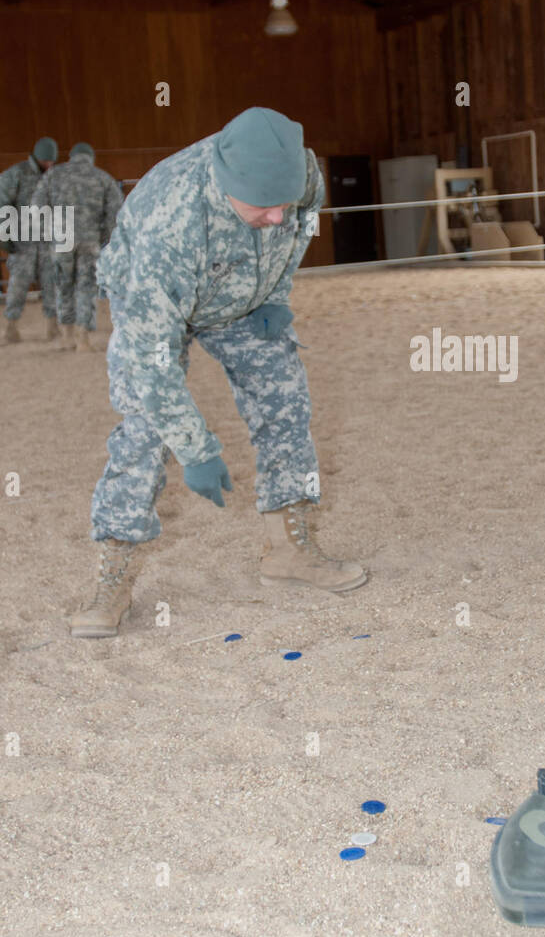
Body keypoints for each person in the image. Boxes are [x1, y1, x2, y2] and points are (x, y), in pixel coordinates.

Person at [69, 107, 366, 639]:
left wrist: (275, 295)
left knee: (286, 402)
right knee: (143, 432)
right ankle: (111, 578)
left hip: (240, 301)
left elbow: (296, 231)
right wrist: (196, 447)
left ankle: (288, 549)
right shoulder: (168, 221)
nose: (277, 215)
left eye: (285, 202)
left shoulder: (302, 177)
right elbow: (151, 365)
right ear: (227, 184)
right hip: (159, 310)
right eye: (262, 205)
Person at [33, 141, 124, 350]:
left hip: (61, 241)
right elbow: (115, 214)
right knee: (87, 287)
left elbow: (37, 207)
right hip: (89, 242)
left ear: (71, 156)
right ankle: (83, 338)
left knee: (63, 286)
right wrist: (103, 238)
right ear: (90, 157)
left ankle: (67, 336)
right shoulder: (102, 178)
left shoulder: (53, 175)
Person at [0, 135, 59, 342]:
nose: (49, 164)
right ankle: (11, 328)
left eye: (52, 160)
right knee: (18, 286)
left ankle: (53, 328)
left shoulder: (54, 177)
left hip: (48, 242)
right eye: (46, 160)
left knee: (52, 284)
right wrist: (5, 235)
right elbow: (2, 204)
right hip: (22, 242)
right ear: (37, 157)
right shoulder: (15, 174)